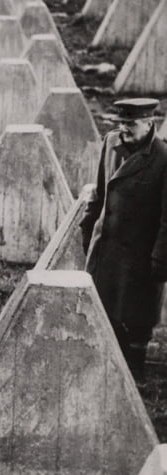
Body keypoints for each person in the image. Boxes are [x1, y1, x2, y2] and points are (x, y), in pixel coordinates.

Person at [81, 98, 167, 379]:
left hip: (140, 253)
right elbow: (101, 191)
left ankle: (135, 375)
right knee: (104, 311)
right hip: (106, 244)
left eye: (131, 123)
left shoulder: (162, 158)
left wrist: (159, 258)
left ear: (149, 123)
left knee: (138, 320)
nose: (124, 129)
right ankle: (106, 371)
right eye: (121, 122)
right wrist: (88, 225)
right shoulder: (111, 143)